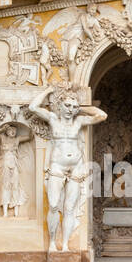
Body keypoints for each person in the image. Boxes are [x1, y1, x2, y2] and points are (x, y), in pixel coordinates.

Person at [26, 88, 107, 251]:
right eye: (67, 105)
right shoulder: (53, 118)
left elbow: (102, 115)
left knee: (70, 208)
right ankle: (52, 243)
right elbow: (33, 107)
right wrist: (48, 91)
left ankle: (64, 245)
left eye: (73, 107)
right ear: (59, 106)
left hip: (75, 167)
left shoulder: (79, 121)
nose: (70, 110)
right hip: (57, 166)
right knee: (54, 205)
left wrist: (81, 108)